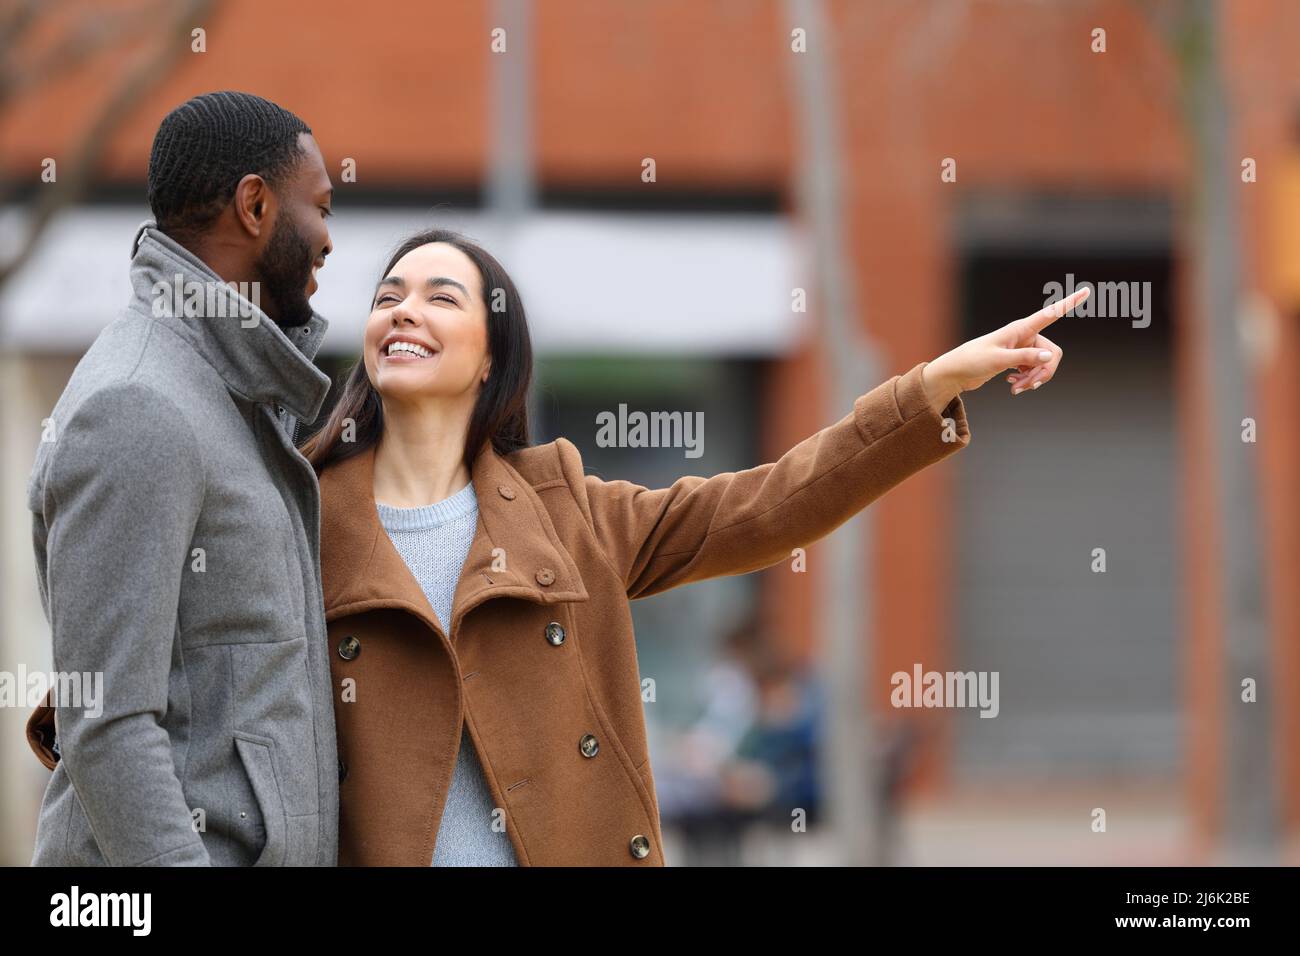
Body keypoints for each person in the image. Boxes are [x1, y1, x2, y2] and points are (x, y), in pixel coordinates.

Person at [298, 227, 1089, 866]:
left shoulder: (566, 511)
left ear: (492, 357)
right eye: (387, 296)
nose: (404, 311)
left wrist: (931, 388)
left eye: (441, 297)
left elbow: (771, 505)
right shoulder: (302, 519)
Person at [24, 90, 339, 866]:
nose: (329, 239)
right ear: (255, 205)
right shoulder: (140, 402)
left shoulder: (225, 393)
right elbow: (105, 721)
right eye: (322, 207)